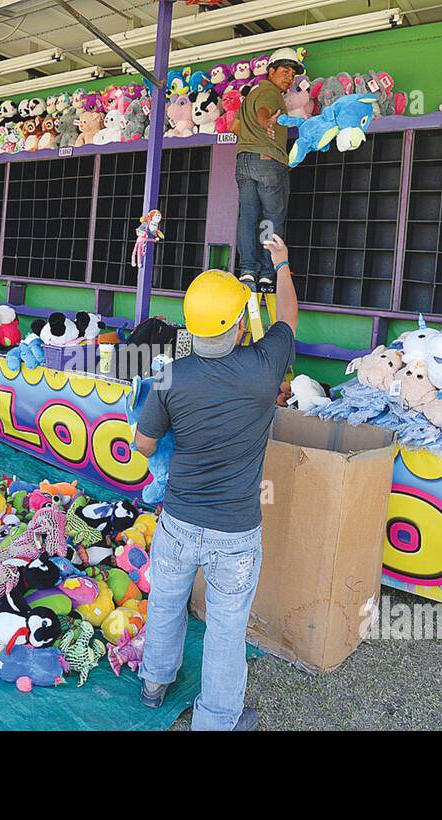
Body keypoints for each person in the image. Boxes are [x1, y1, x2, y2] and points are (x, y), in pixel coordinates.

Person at [132, 234, 297, 731]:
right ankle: (217, 720)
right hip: (235, 534)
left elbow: (141, 446)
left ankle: (154, 683)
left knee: (164, 602)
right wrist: (282, 264)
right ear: (240, 322)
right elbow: (287, 315)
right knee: (226, 629)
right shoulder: (264, 367)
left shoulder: (169, 375)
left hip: (177, 523)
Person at [233, 48, 304, 292]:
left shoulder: (249, 97)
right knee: (271, 218)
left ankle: (247, 272)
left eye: (293, 75)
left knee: (248, 218)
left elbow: (234, 127)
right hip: (267, 160)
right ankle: (265, 273)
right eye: (285, 72)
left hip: (244, 161)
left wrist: (254, 135)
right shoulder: (269, 93)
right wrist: (266, 124)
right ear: (270, 71)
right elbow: (265, 111)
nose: (289, 78)